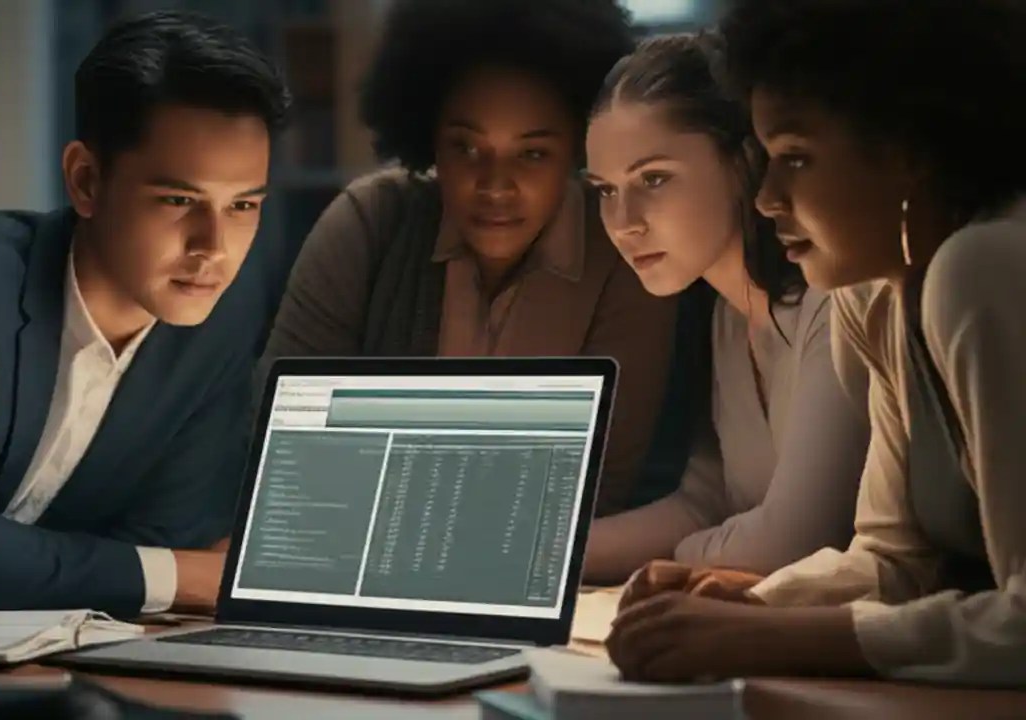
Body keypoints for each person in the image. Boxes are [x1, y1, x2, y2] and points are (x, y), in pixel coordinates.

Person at [606, 0, 1026, 686]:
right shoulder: (879, 292)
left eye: (795, 158)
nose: (767, 198)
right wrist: (749, 600)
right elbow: (895, 561)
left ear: (910, 149)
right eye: (766, 159)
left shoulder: (982, 269)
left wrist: (764, 639)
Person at [0, 11, 292, 615]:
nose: (213, 247)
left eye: (242, 205)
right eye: (179, 200)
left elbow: (162, 540)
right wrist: (185, 577)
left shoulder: (220, 316)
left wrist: (167, 569)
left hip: (61, 663)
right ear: (86, 181)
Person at [261, 0, 677, 516]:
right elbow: (281, 449)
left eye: (532, 153)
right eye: (466, 148)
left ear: (579, 147)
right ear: (428, 139)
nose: (496, 186)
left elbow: (601, 485)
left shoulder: (622, 248)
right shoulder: (370, 225)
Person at [580, 33, 868, 585]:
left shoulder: (831, 306)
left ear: (742, 161)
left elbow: (794, 540)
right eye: (605, 191)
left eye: (653, 179)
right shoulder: (726, 319)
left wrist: (675, 564)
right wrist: (535, 557)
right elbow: (704, 502)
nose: (625, 222)